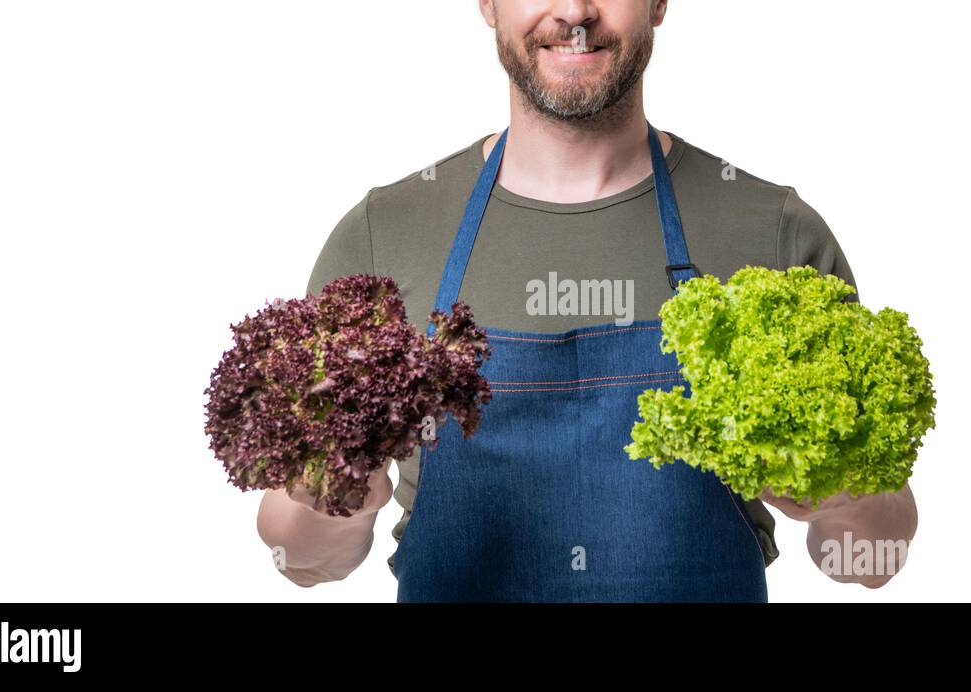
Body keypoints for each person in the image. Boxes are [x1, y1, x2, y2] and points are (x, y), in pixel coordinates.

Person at [256, 0, 918, 600]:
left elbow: (869, 561)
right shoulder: (384, 235)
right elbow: (306, 563)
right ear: (487, 3)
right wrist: (335, 502)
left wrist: (840, 497)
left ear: (660, 3)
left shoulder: (772, 231)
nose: (574, 11)